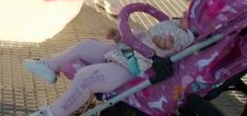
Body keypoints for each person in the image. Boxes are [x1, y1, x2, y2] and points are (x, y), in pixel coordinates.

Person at [24, 16, 194, 116]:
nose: (186, 12)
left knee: (87, 77)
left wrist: (165, 49)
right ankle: (50, 67)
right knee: (86, 45)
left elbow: (171, 61)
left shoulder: (185, 39)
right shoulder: (172, 23)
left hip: (133, 69)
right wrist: (120, 37)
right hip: (124, 53)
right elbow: (143, 37)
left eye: (191, 14)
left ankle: (53, 112)